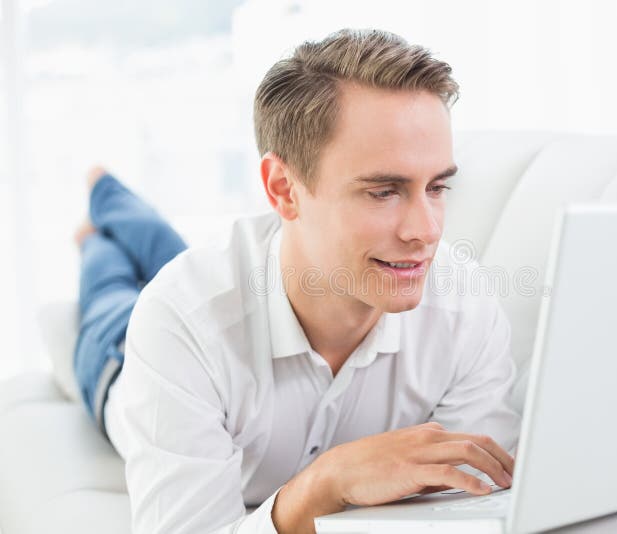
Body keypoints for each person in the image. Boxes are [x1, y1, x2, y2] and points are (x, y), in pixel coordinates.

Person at [75, 29, 520, 534]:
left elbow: (478, 505)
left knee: (163, 250)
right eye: (383, 192)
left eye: (437, 187)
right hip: (115, 353)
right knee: (107, 286)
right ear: (284, 189)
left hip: (240, 274)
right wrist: (321, 486)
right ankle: (99, 216)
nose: (426, 232)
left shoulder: (466, 311)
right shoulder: (180, 322)